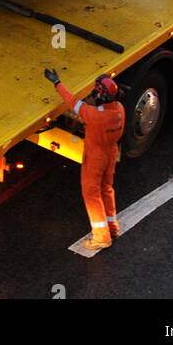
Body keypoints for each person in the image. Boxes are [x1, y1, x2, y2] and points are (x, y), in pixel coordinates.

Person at [44, 68, 125, 250]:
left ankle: (102, 237)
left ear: (102, 96)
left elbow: (72, 102)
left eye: (97, 91)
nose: (95, 94)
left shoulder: (94, 115)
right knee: (106, 188)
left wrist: (57, 83)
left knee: (91, 194)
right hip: (111, 151)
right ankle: (112, 228)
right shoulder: (119, 110)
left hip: (95, 155)